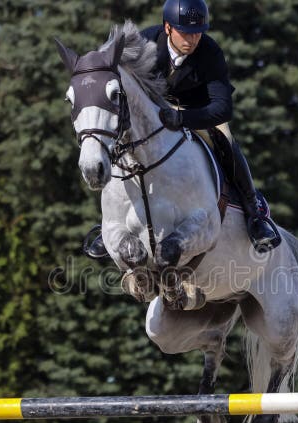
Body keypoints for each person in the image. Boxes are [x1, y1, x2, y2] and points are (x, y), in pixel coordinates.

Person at [84, 0, 280, 259]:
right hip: (151, 110)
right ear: (167, 27)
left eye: (198, 31)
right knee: (118, 143)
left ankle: (254, 213)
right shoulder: (145, 43)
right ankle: (108, 223)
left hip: (196, 112)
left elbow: (223, 108)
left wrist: (184, 118)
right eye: (185, 32)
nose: (193, 38)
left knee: (226, 139)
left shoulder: (210, 51)